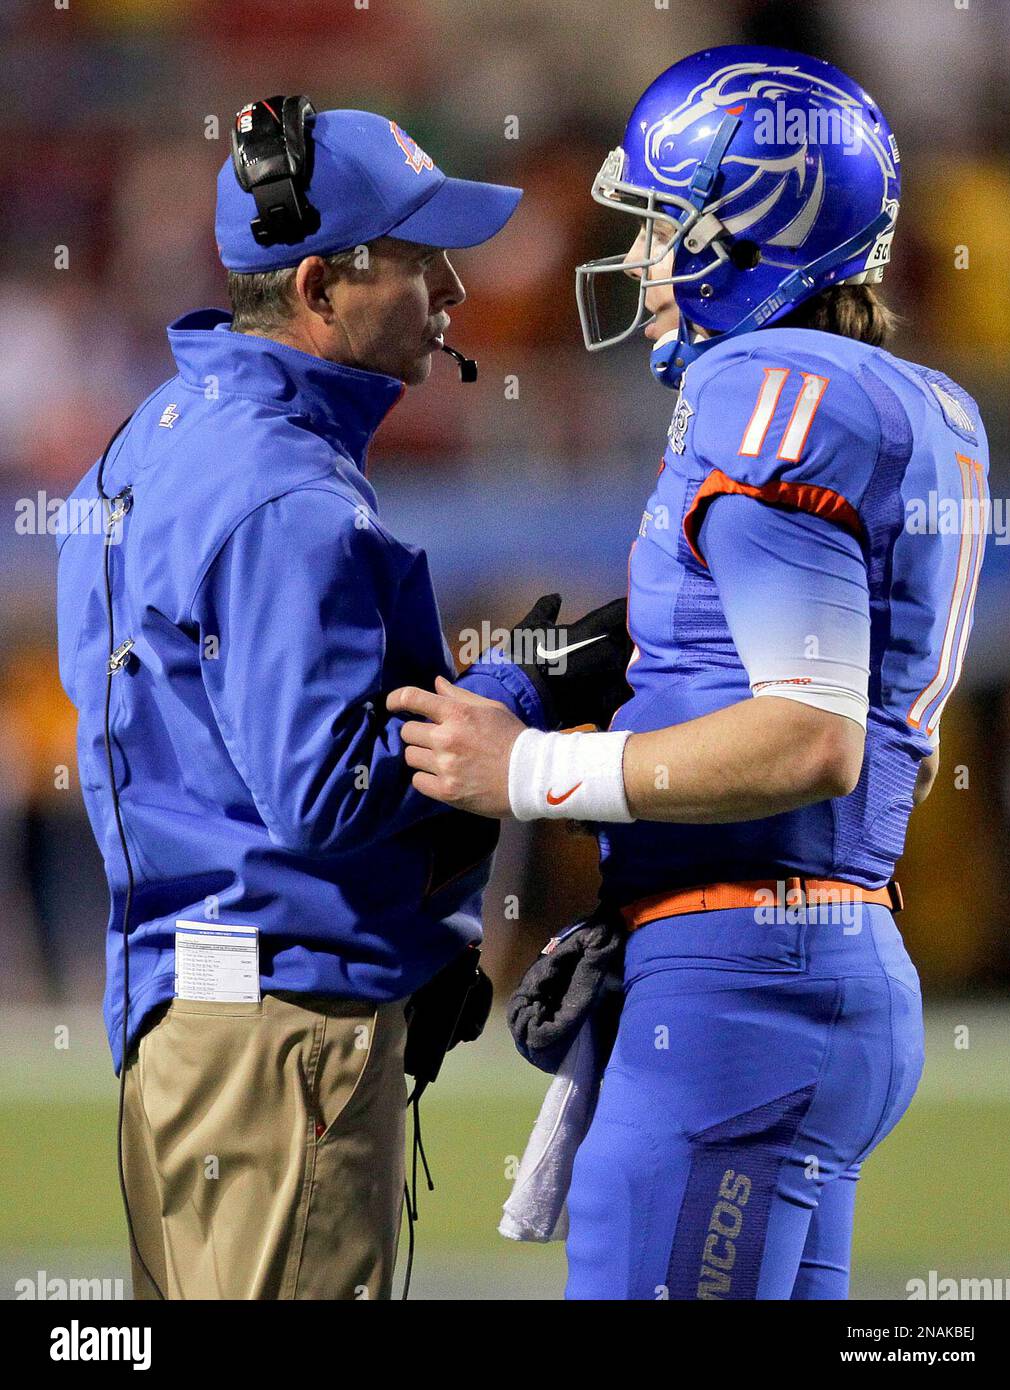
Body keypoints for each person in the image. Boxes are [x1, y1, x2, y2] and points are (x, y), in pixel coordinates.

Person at [386, 46, 991, 1299]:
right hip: (812, 961)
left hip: (738, 983)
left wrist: (532, 769)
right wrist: (565, 666)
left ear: (753, 223)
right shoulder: (901, 394)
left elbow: (804, 733)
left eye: (665, 222)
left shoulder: (765, 393)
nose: (645, 260)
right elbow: (747, 627)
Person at [55, 97, 630, 1300]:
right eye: (421, 261)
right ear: (321, 285)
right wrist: (515, 681)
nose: (454, 295)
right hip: (278, 1035)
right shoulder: (284, 491)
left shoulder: (155, 431)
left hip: (188, 1013)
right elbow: (323, 792)